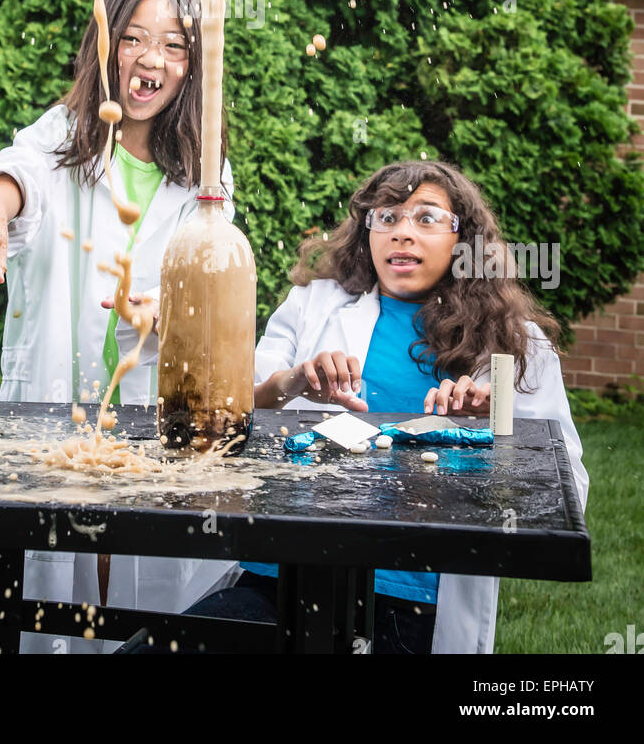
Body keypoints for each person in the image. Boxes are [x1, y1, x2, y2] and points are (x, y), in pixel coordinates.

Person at [0, 0, 238, 652]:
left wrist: (167, 306)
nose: (150, 59)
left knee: (151, 580)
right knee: (48, 591)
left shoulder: (206, 172)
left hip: (155, 400)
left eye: (173, 45)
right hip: (56, 400)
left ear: (193, 67)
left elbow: (214, 277)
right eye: (131, 38)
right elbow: (15, 176)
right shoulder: (64, 134)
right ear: (103, 46)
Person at [185, 158, 588, 655]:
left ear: (464, 241)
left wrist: (487, 436)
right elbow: (224, 409)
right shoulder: (313, 302)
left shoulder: (513, 344)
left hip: (404, 599)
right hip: (281, 572)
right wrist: (290, 384)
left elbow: (565, 495)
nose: (402, 232)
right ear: (366, 232)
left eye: (426, 218)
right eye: (387, 216)